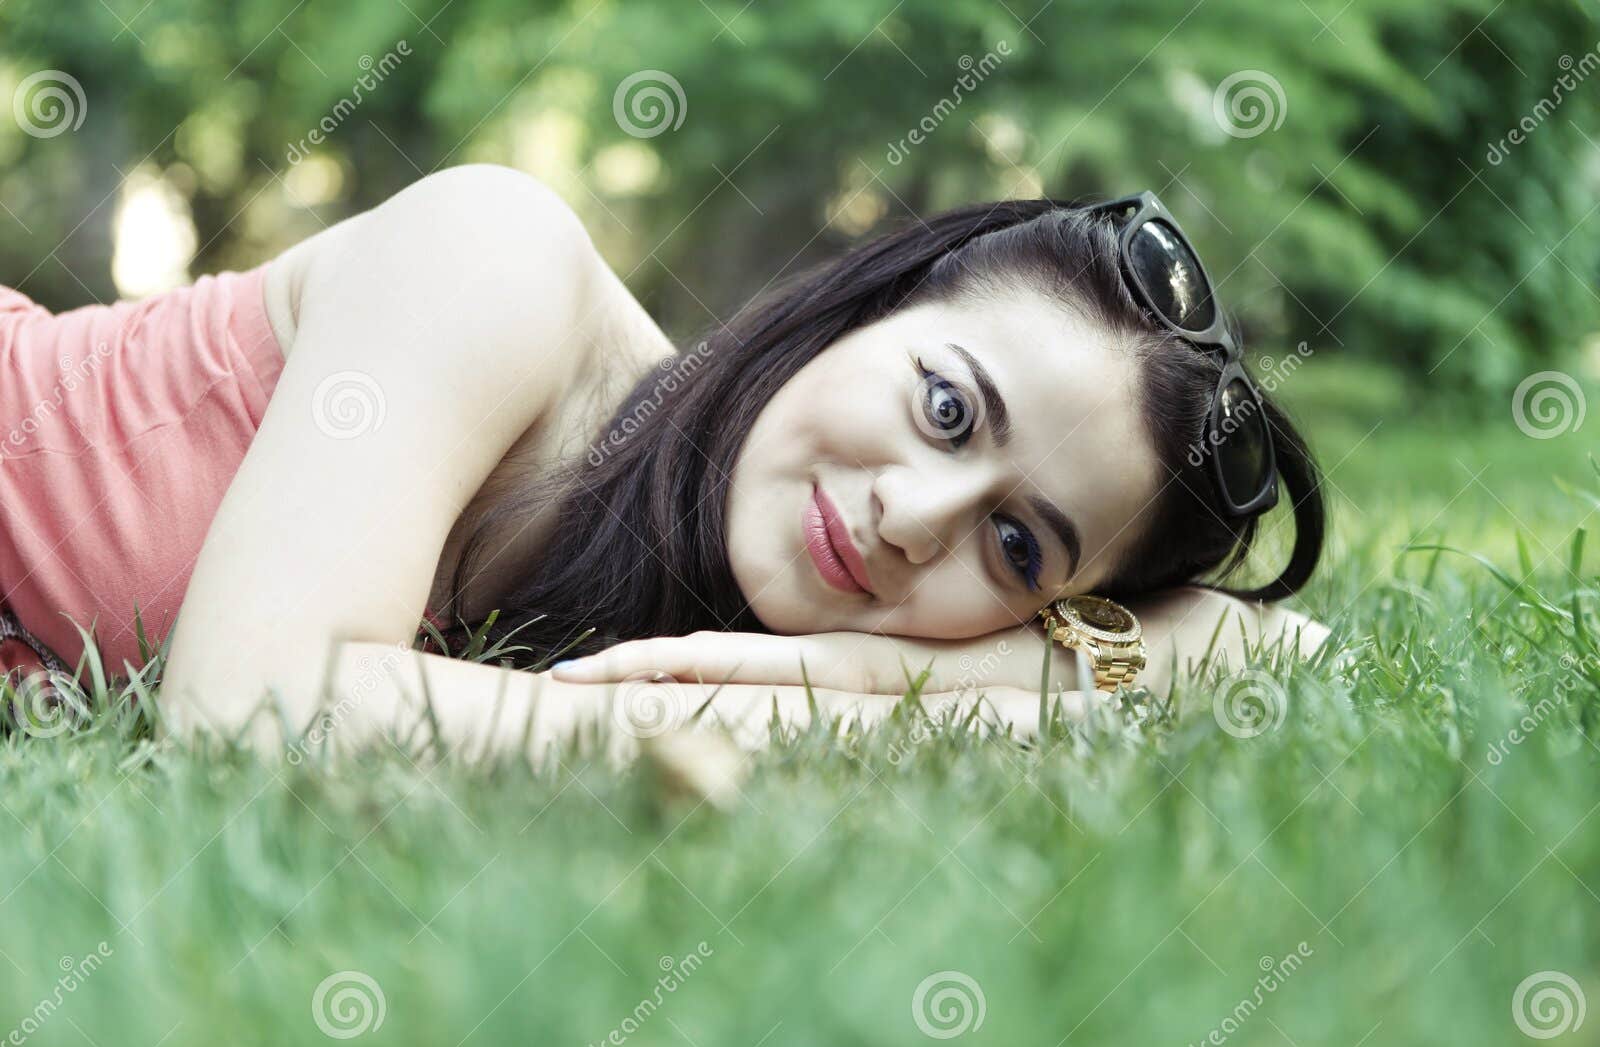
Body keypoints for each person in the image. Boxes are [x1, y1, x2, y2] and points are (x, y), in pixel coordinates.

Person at [0, 165, 1329, 756]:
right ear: (861, 306)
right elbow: (248, 713)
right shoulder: (498, 259)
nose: (915, 519)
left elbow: (1271, 648)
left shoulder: (716, 602)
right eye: (943, 408)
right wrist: (837, 723)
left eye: (1017, 544)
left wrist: (891, 678)